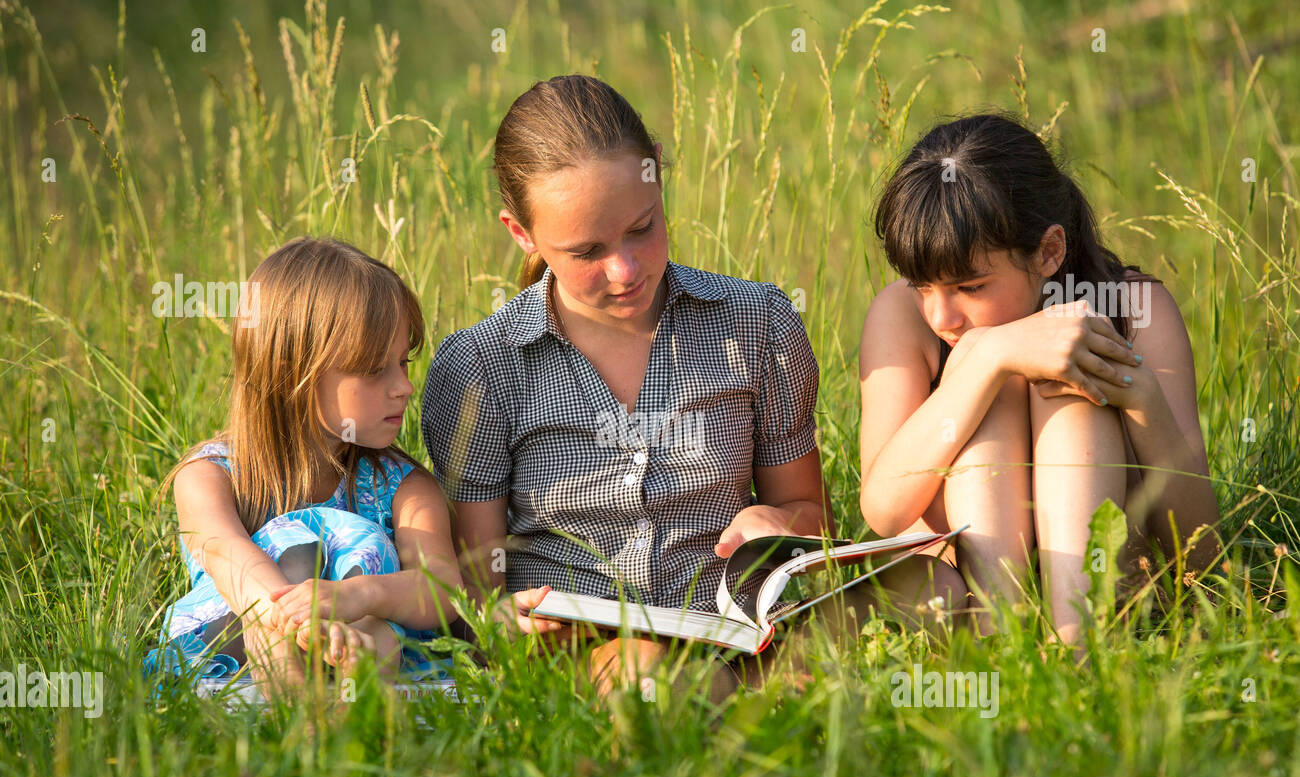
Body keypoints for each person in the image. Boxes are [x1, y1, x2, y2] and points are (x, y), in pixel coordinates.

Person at [421, 75, 834, 697]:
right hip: (588, 654)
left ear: (658, 177)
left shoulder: (757, 324)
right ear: (521, 233)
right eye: (587, 250)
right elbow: (479, 589)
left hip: (738, 625)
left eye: (642, 228)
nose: (625, 270)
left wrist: (777, 520)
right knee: (650, 683)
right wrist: (508, 621)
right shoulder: (482, 367)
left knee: (920, 600)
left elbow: (812, 517)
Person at [858, 112, 1220, 651]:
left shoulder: (1134, 306)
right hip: (960, 587)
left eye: (971, 286)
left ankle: (1075, 638)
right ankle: (1000, 634)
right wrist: (985, 356)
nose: (941, 317)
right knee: (983, 393)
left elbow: (1202, 553)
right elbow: (884, 512)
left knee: (1075, 389)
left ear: (1049, 252)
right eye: (921, 286)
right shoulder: (900, 315)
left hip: (1114, 581)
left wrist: (1139, 397)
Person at [148, 236, 547, 698]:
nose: (403, 387)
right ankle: (299, 713)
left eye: (403, 362)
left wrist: (354, 597)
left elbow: (441, 589)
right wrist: (294, 616)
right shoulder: (210, 476)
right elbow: (226, 555)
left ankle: (340, 721)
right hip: (233, 650)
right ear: (291, 373)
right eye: (376, 369)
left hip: (373, 646)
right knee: (279, 587)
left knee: (372, 633)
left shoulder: (405, 486)